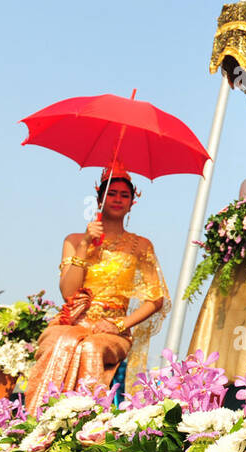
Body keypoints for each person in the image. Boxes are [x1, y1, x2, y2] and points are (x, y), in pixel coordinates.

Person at [25, 164, 169, 410]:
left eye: (125, 195)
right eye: (111, 193)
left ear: (133, 202)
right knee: (60, 341)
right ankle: (40, 416)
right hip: (74, 322)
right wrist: (85, 244)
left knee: (91, 347)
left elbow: (156, 299)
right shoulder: (74, 240)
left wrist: (120, 324)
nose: (118, 199)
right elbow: (68, 293)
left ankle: (88, 419)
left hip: (112, 330)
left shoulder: (142, 245)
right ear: (99, 198)